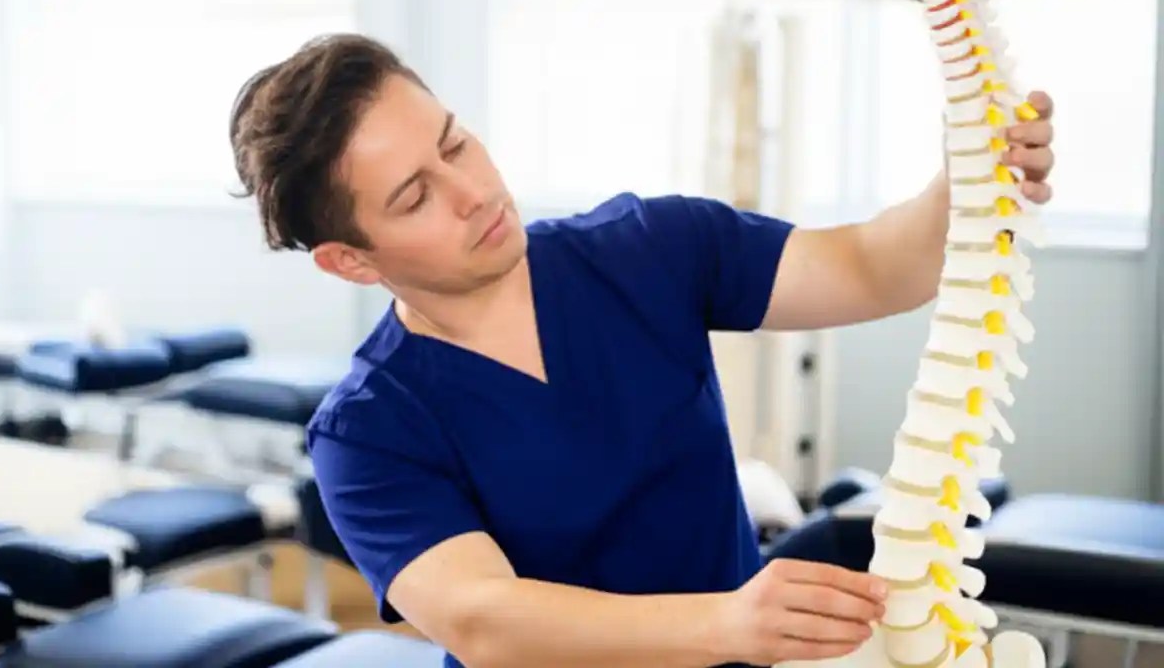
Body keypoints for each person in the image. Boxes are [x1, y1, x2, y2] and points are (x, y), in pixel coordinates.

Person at [228, 33, 1055, 668]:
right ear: (352, 260)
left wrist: (972, 183)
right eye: (415, 197)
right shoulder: (369, 431)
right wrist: (726, 622)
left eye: (455, 144)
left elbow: (871, 264)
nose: (472, 190)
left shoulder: (645, 249)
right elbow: (483, 619)